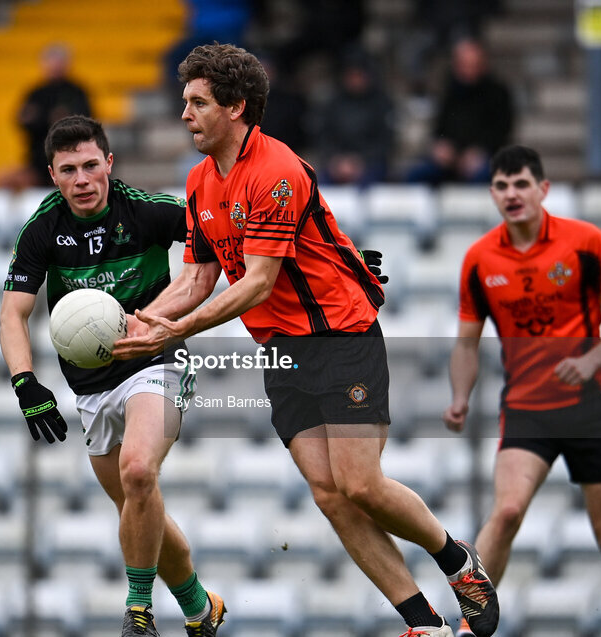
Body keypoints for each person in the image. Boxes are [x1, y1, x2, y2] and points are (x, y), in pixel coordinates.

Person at [114, 43, 499, 637]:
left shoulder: (276, 171)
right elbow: (197, 277)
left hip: (340, 334)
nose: (184, 113)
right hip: (283, 351)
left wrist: (178, 330)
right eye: (184, 101)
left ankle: (455, 559)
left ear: (237, 107)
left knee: (359, 483)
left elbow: (260, 282)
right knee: (329, 495)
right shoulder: (197, 181)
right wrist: (141, 322)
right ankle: (423, 624)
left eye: (197, 102)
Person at [0, 115, 225, 637]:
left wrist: (327, 258)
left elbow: (233, 239)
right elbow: (14, 314)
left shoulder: (149, 212)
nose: (82, 179)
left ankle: (139, 612)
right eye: (69, 170)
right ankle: (198, 606)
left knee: (140, 472)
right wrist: (26, 383)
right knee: (137, 508)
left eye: (91, 166)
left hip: (157, 360)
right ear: (52, 175)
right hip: (91, 386)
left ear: (110, 164)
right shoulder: (43, 229)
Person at [442, 145, 601, 637]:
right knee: (508, 511)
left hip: (590, 407)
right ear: (491, 194)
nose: (511, 194)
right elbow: (466, 345)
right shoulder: (479, 258)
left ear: (543, 190)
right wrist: (459, 396)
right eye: (501, 186)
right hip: (526, 410)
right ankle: (471, 629)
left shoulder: (585, 242)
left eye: (520, 184)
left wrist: (590, 360)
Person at [406, 38, 513, 185]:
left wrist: (479, 151)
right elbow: (439, 129)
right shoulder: (449, 91)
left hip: (484, 159)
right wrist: (440, 147)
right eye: (464, 65)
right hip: (450, 160)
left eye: (473, 65)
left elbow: (501, 133)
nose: (468, 70)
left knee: (483, 177)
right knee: (416, 175)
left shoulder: (498, 93)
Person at [0, 44, 92, 190]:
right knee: (2, 180)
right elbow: (24, 119)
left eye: (58, 61)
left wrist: (42, 119)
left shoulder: (77, 92)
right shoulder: (36, 92)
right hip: (37, 163)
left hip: (70, 163)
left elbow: (85, 125)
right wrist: (51, 119)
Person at [312, 48, 394, 186]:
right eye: (351, 75)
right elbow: (324, 136)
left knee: (366, 190)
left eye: (359, 75)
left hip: (370, 164)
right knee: (316, 186)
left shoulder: (382, 103)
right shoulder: (333, 103)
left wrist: (360, 161)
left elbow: (385, 141)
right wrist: (336, 160)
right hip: (337, 163)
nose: (355, 79)